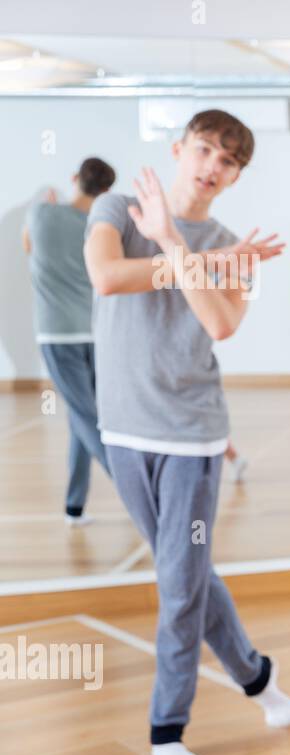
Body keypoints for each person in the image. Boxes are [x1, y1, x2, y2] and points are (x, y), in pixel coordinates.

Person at [83, 109, 290, 755]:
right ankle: (257, 677)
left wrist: (177, 245)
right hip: (122, 427)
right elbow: (108, 277)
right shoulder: (117, 206)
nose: (211, 165)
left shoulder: (233, 242)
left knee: (178, 585)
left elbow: (222, 323)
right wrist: (193, 255)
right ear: (179, 149)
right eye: (204, 149)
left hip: (193, 435)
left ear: (235, 177)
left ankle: (166, 728)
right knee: (190, 574)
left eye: (228, 161)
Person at [21, 158, 116, 525]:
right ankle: (74, 506)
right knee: (82, 417)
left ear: (75, 178)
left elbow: (29, 247)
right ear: (105, 191)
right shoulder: (98, 226)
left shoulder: (41, 212)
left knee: (86, 417)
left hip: (56, 333)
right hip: (93, 330)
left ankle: (132, 488)